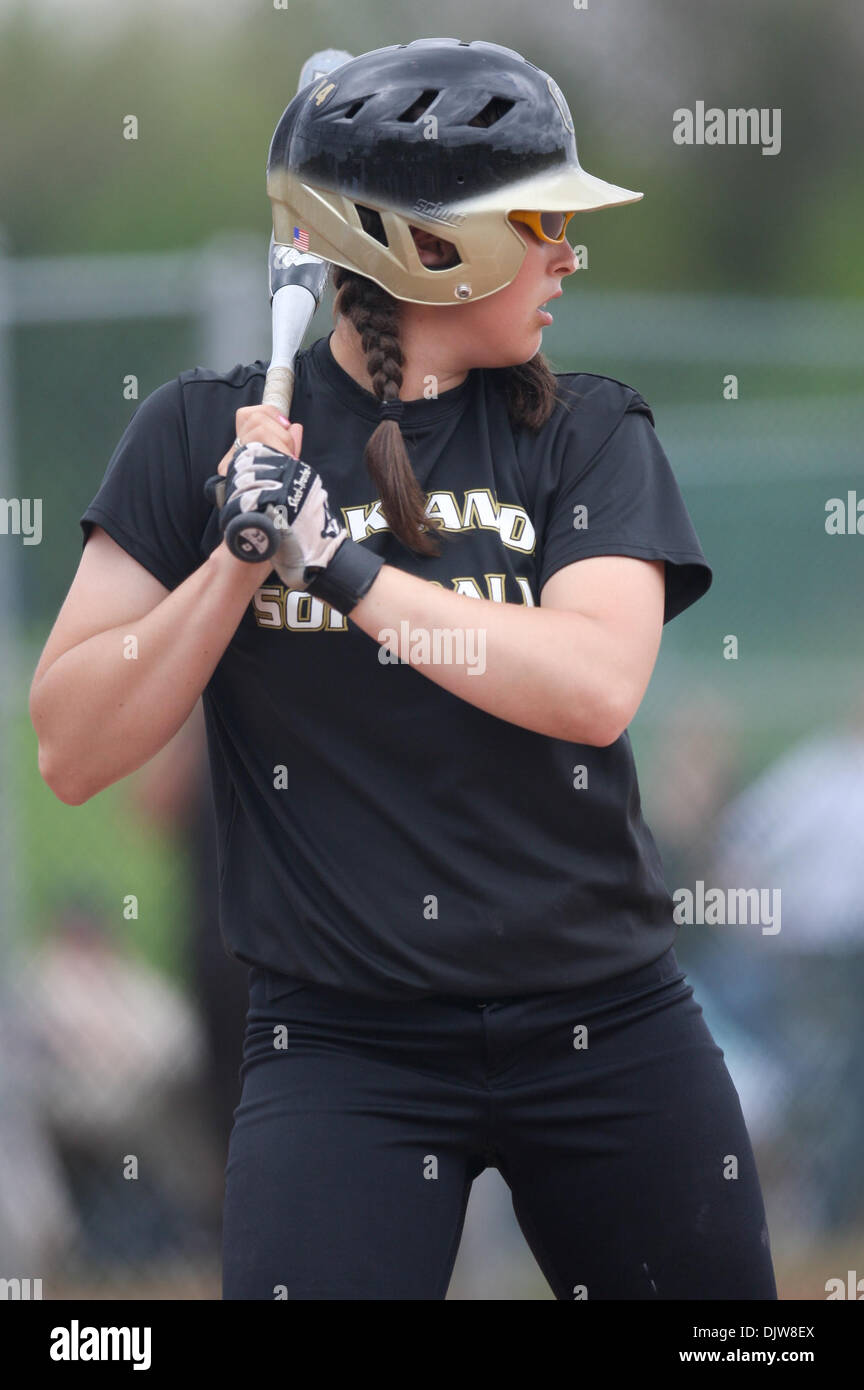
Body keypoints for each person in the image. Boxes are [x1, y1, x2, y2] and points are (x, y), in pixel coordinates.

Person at [29, 38, 777, 1300]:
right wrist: (233, 562)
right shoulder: (194, 435)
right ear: (426, 246)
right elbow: (72, 747)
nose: (564, 255)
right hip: (342, 1041)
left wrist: (346, 567)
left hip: (601, 1015)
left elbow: (593, 684)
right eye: (537, 222)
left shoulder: (586, 431)